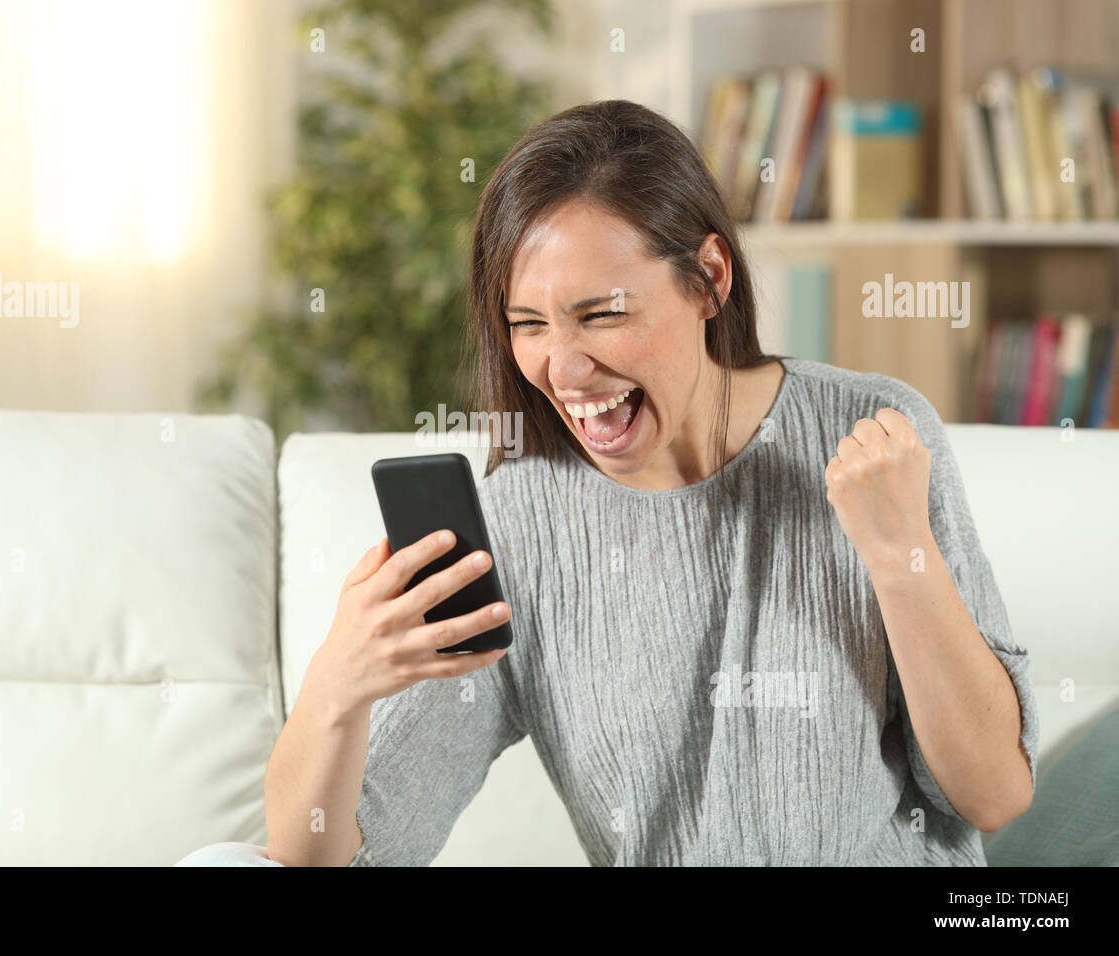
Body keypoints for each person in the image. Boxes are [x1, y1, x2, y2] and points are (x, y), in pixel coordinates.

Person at [178, 99, 1038, 867]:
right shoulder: (521, 525)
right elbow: (317, 857)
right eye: (528, 325)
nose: (564, 366)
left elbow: (992, 794)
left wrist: (900, 556)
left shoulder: (874, 439)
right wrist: (336, 681)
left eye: (602, 314)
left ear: (708, 279)